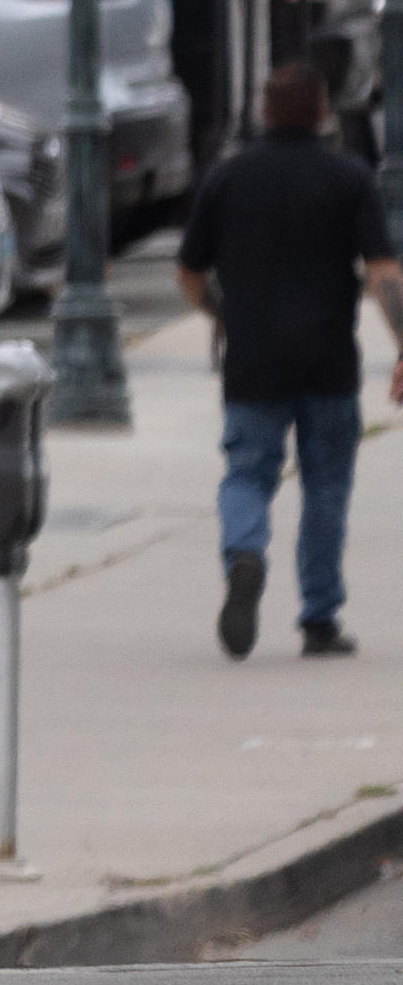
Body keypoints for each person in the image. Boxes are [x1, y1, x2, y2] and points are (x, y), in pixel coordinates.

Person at [176, 58, 403, 659]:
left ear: (264, 110)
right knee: (327, 488)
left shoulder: (228, 178)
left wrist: (220, 311)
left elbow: (189, 271)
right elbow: (384, 273)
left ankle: (244, 553)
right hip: (328, 361)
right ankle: (320, 618)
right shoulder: (349, 179)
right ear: (324, 112)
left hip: (253, 361)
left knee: (247, 473)